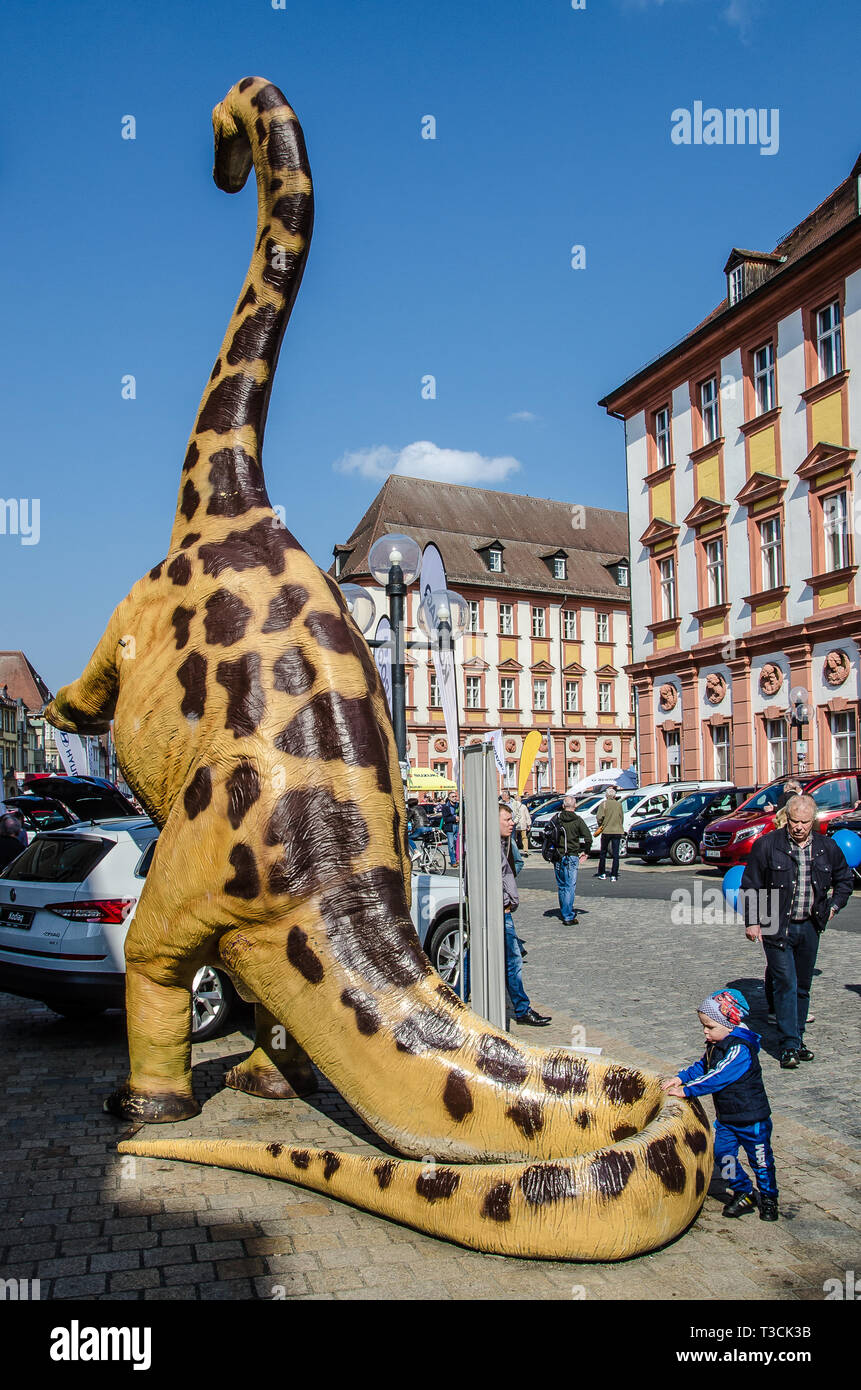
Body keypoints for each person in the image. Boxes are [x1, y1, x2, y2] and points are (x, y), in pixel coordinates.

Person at [741, 793, 852, 1069]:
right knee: (786, 983)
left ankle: (798, 1039)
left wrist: (833, 907)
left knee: (802, 986)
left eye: (804, 822)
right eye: (794, 821)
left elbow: (844, 880)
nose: (799, 827)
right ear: (786, 819)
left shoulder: (827, 847)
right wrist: (753, 921)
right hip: (775, 924)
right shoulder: (768, 845)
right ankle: (789, 1044)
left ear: (812, 820)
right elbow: (751, 884)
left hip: (810, 926)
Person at [662, 989, 778, 1221]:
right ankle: (743, 1191)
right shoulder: (715, 1044)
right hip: (727, 1119)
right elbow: (703, 1066)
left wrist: (688, 1090)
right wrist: (682, 1077)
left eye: (710, 1026)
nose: (705, 1031)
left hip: (752, 1119)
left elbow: (717, 1076)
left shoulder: (740, 1051)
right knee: (723, 1155)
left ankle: (768, 1198)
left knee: (761, 1161)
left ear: (730, 1024)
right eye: (703, 1026)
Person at [499, 802, 550, 1026]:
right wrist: (507, 900)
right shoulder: (489, 846)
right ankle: (521, 1009)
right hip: (498, 911)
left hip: (503, 908)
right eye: (507, 820)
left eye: (512, 819)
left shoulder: (506, 843)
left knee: (478, 959)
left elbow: (513, 867)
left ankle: (457, 1005)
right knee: (513, 959)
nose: (513, 823)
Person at [545, 793, 592, 925]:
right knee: (570, 886)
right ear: (575, 806)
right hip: (571, 855)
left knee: (561, 886)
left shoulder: (557, 818)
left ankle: (564, 910)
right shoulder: (577, 820)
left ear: (563, 806)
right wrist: (586, 852)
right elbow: (588, 838)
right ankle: (568, 915)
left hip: (558, 855)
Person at [595, 785, 624, 880]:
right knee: (616, 854)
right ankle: (614, 875)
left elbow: (599, 817)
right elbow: (621, 818)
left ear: (606, 796)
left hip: (606, 830)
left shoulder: (603, 804)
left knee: (603, 852)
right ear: (615, 796)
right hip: (617, 830)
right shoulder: (619, 804)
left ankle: (602, 873)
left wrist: (601, 824)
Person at [440, 790, 459, 867]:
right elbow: (445, 819)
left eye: (455, 796)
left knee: (457, 844)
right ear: (449, 798)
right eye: (453, 797)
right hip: (450, 827)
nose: (455, 798)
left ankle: (458, 859)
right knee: (451, 845)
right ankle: (453, 861)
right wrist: (455, 818)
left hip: (458, 826)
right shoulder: (446, 807)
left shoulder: (459, 805)